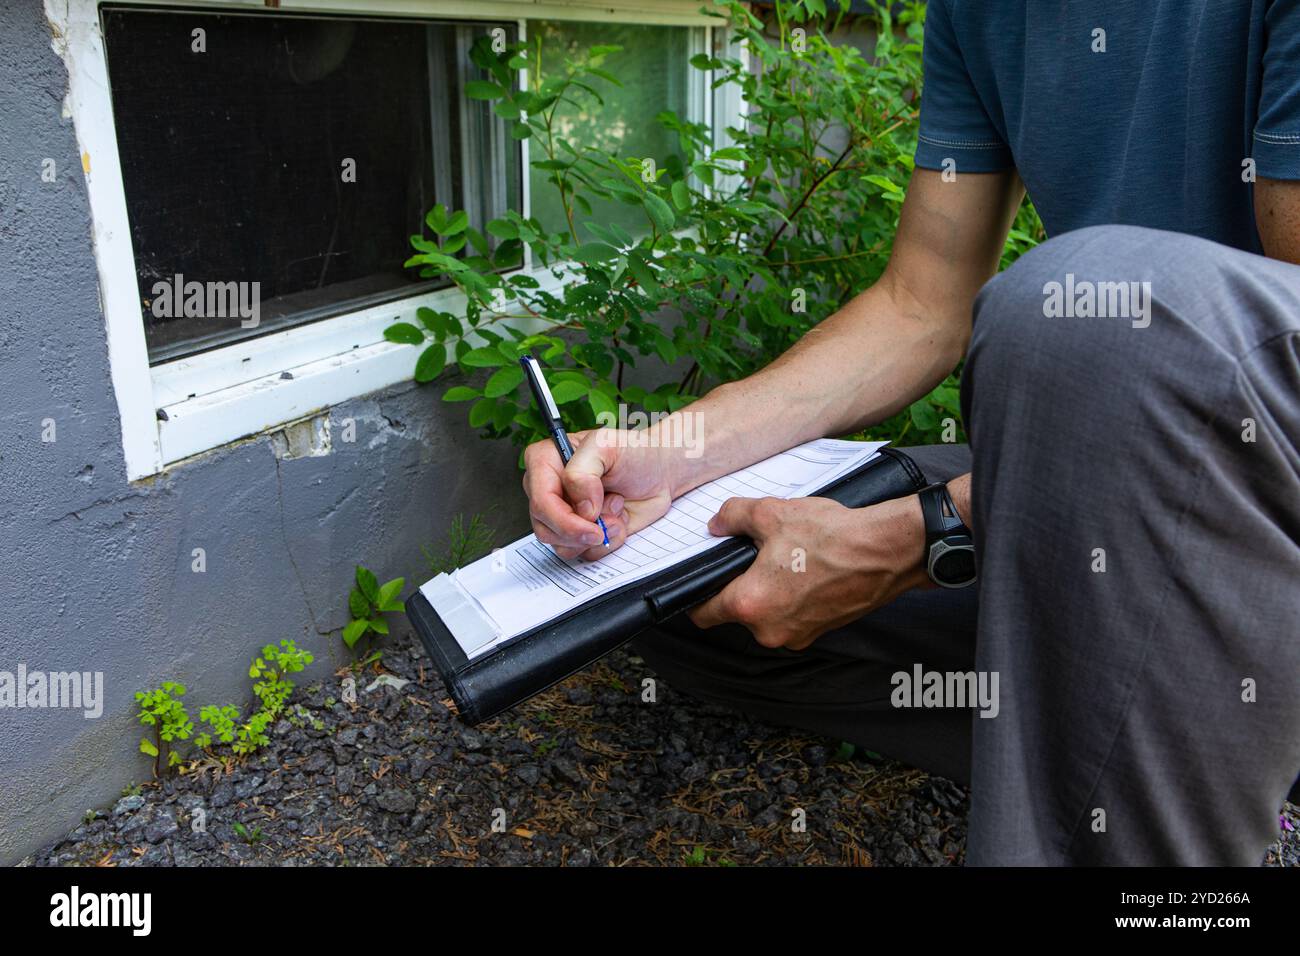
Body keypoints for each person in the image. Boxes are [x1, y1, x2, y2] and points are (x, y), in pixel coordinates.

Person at [520, 1, 1300, 865]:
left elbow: (1269, 380)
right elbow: (919, 305)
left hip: (1263, 505)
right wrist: (672, 447)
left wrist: (919, 539)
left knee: (1094, 306)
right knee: (693, 587)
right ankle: (1174, 734)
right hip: (1114, 508)